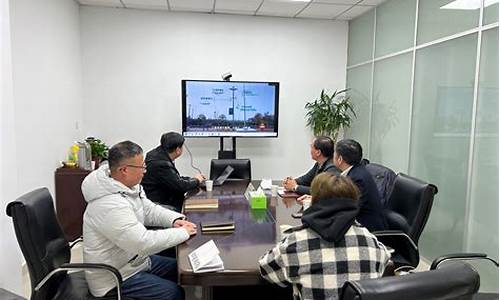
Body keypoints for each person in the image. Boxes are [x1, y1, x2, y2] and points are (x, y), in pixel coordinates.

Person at [82, 140, 197, 300]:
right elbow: (142, 243)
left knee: (179, 269)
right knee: (173, 293)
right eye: (142, 166)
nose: (145, 170)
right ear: (124, 170)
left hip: (133, 262)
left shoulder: (126, 186)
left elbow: (149, 209)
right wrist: (182, 233)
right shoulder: (109, 205)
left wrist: (174, 220)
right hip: (114, 277)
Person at [259, 173, 390, 300]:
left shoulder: (295, 243)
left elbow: (265, 269)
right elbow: (385, 262)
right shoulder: (372, 243)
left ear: (314, 201)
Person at [141, 132, 206, 211]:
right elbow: (180, 186)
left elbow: (173, 179)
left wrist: (192, 179)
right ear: (178, 150)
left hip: (159, 198)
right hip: (162, 204)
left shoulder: (156, 154)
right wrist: (197, 180)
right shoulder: (161, 164)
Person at [333, 139, 386, 232]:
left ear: (340, 159)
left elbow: (346, 208)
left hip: (369, 231)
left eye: (334, 153)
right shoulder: (356, 171)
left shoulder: (357, 179)